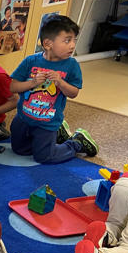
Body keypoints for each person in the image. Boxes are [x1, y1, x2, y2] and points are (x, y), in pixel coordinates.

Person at [9, 15, 97, 164]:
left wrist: (60, 83)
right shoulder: (31, 61)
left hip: (48, 122)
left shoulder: (72, 65)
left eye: (74, 40)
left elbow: (74, 93)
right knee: (19, 150)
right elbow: (13, 86)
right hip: (23, 118)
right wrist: (33, 83)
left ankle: (77, 142)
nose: (72, 45)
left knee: (44, 157)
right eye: (67, 40)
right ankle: (57, 135)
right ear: (48, 44)